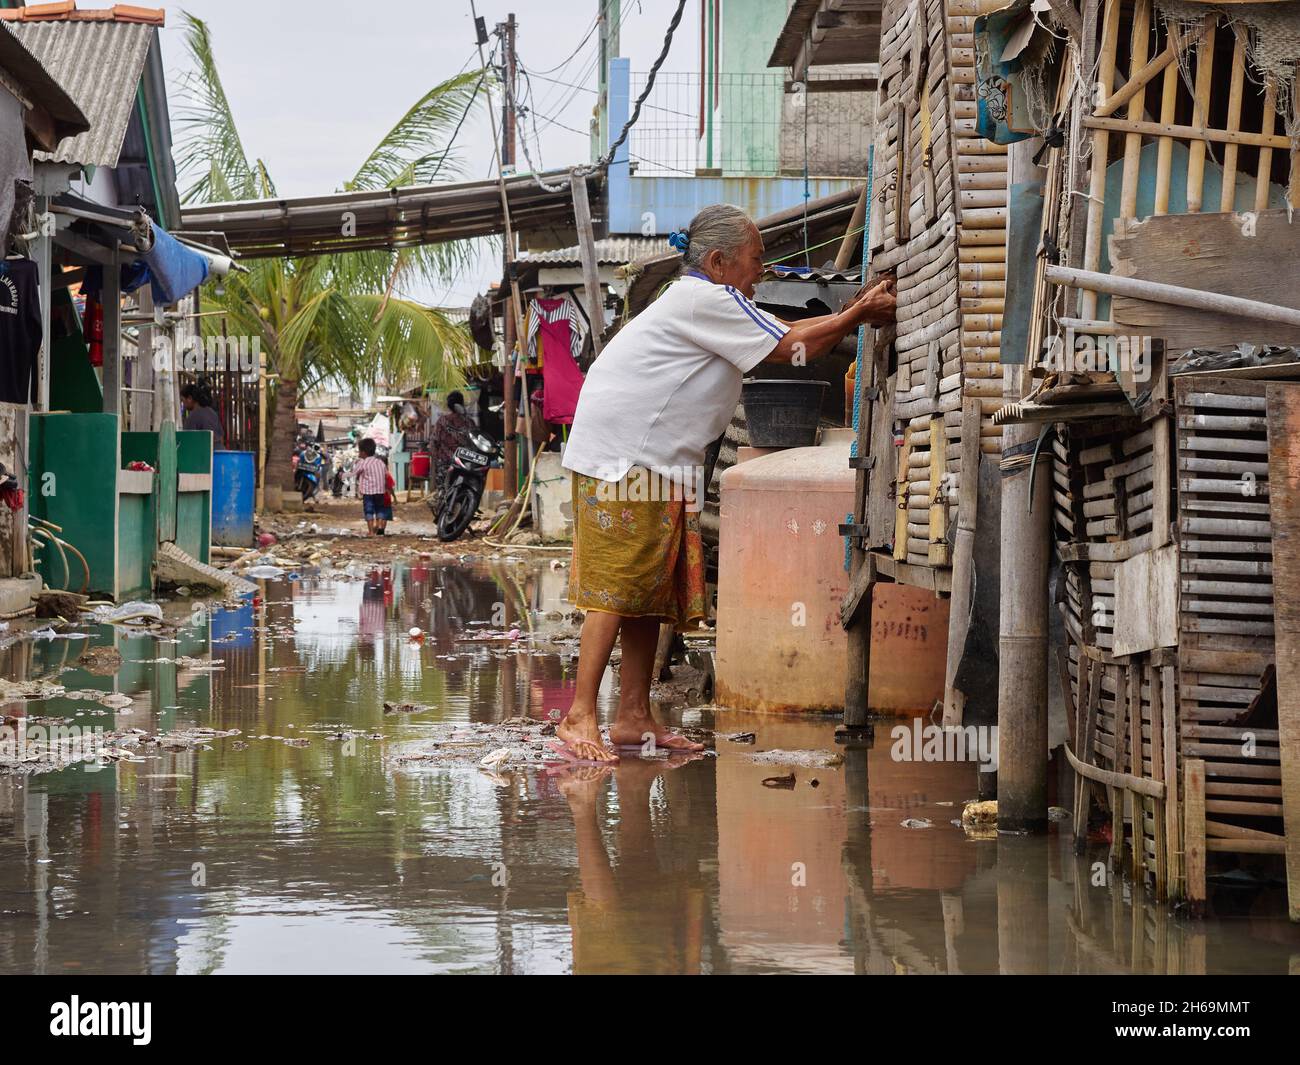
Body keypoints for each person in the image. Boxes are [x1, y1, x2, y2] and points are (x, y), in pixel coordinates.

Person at [556, 203, 896, 763]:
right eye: (755, 260)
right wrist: (857, 315)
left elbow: (787, 334)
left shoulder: (714, 300)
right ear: (718, 262)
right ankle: (579, 715)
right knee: (617, 587)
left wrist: (854, 312)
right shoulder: (707, 299)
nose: (761, 271)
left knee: (647, 592)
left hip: (652, 459)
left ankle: (633, 717)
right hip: (627, 458)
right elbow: (792, 350)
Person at [354, 437, 392, 536]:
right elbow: (385, 475)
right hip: (380, 491)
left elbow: (355, 473)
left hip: (368, 492)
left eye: (359, 451)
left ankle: (371, 532)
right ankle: (379, 527)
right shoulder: (381, 463)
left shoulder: (362, 463)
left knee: (369, 510)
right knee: (380, 509)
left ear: (363, 452)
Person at [180, 381, 225, 448]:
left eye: (183, 401)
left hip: (205, 454)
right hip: (220, 453)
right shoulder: (211, 411)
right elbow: (221, 438)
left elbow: (188, 441)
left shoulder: (193, 416)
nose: (184, 405)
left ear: (189, 398)